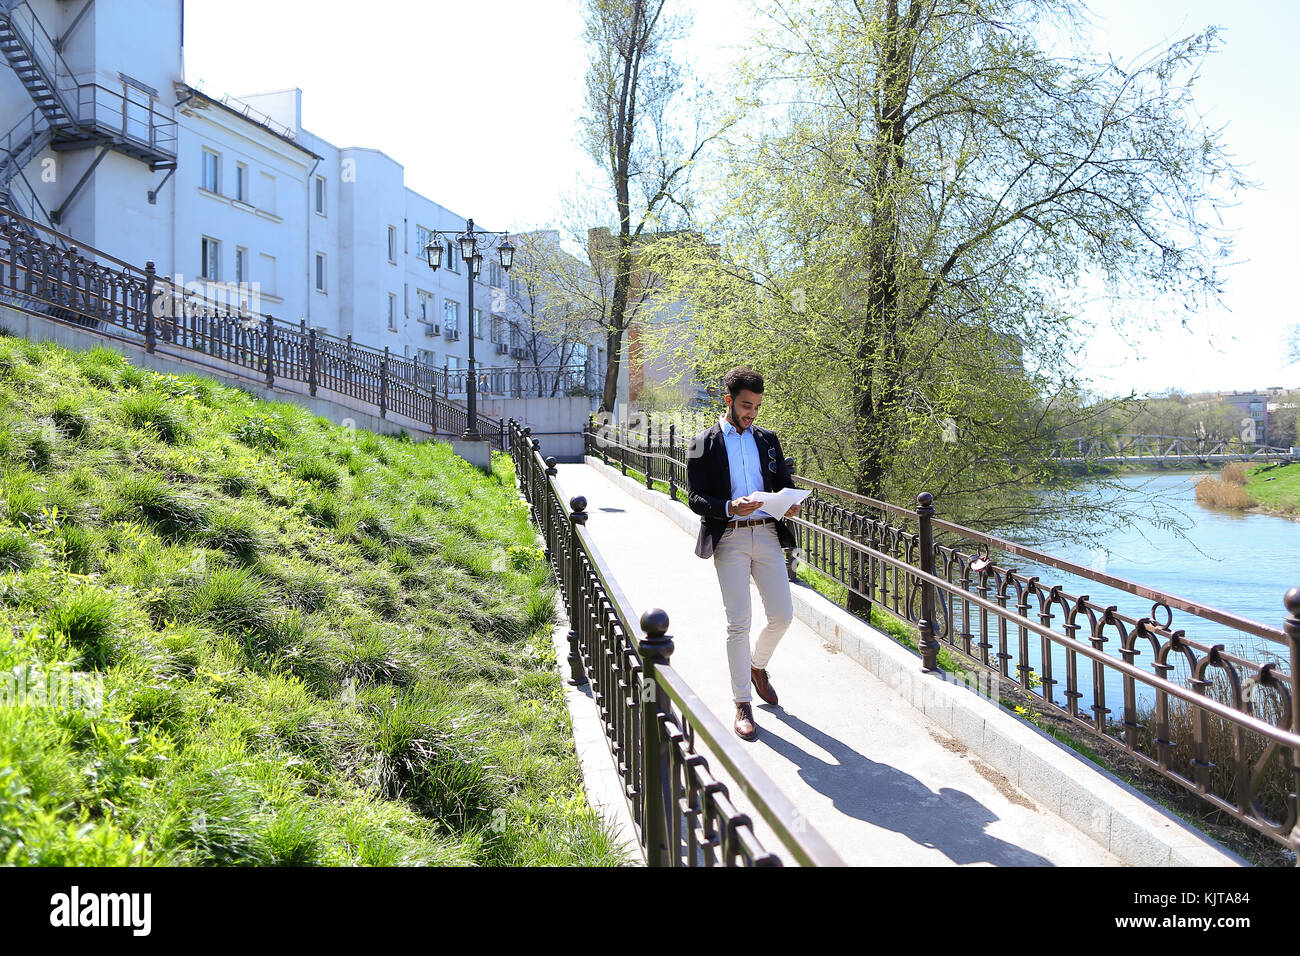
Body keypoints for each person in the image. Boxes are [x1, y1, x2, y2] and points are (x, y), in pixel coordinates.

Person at [686, 366, 802, 741]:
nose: (751, 413)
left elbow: (784, 483)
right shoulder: (702, 442)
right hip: (730, 538)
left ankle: (757, 667)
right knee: (739, 623)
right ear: (729, 401)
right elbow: (696, 497)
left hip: (768, 534)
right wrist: (728, 507)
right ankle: (742, 703)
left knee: (782, 616)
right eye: (746, 405)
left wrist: (789, 503)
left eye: (756, 407)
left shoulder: (768, 440)